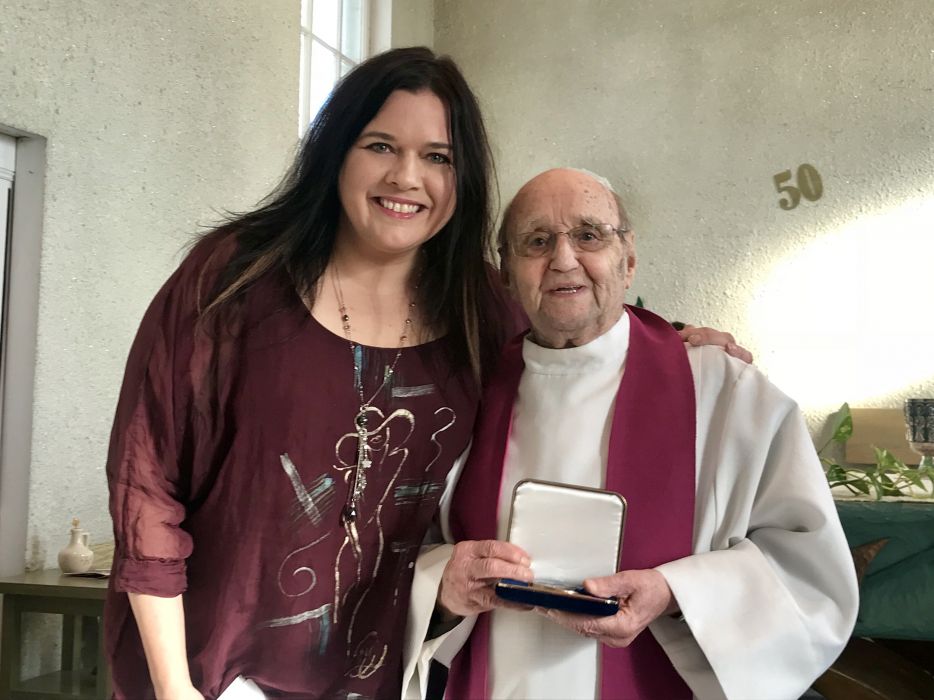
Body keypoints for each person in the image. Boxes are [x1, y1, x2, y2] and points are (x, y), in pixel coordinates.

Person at [105, 46, 747, 699]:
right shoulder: (235, 280)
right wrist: (172, 685)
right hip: (216, 673)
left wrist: (676, 341)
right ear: (335, 153)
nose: (407, 177)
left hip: (396, 676)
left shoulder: (482, 308)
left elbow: (580, 317)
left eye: (437, 157)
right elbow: (146, 484)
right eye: (381, 146)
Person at [402, 168, 859, 700]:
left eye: (589, 235)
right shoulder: (462, 396)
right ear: (507, 273)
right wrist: (442, 584)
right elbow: (399, 543)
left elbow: (808, 572)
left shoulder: (726, 392)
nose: (563, 259)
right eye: (537, 241)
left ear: (630, 259)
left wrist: (673, 592)